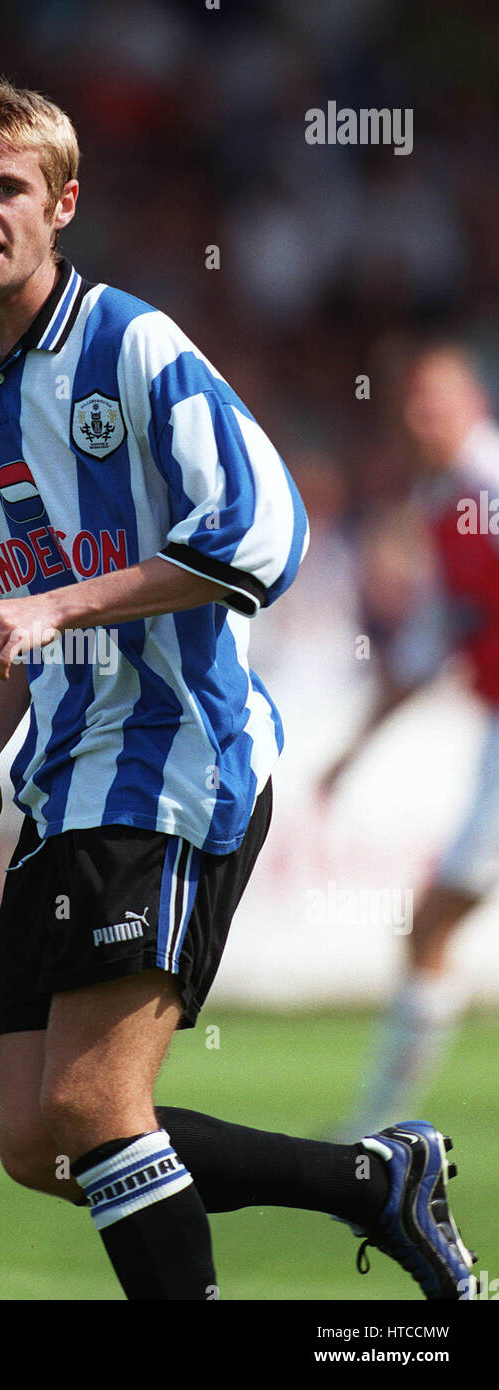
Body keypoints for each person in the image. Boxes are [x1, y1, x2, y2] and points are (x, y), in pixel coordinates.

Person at [0, 67, 475, 1301]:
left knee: (94, 1103)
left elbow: (264, 535)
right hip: (62, 776)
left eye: (8, 187)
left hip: (176, 755)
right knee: (36, 1142)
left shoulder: (133, 344)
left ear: (62, 201)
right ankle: (372, 1182)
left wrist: (61, 601)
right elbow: (8, 608)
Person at [322, 343, 499, 1137]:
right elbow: (426, 647)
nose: (418, 414)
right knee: (430, 926)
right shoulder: (444, 502)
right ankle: (377, 1132)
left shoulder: (485, 487)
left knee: (430, 925)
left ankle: (375, 1136)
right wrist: (353, 751)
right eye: (411, 399)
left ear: (472, 404)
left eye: (435, 398)